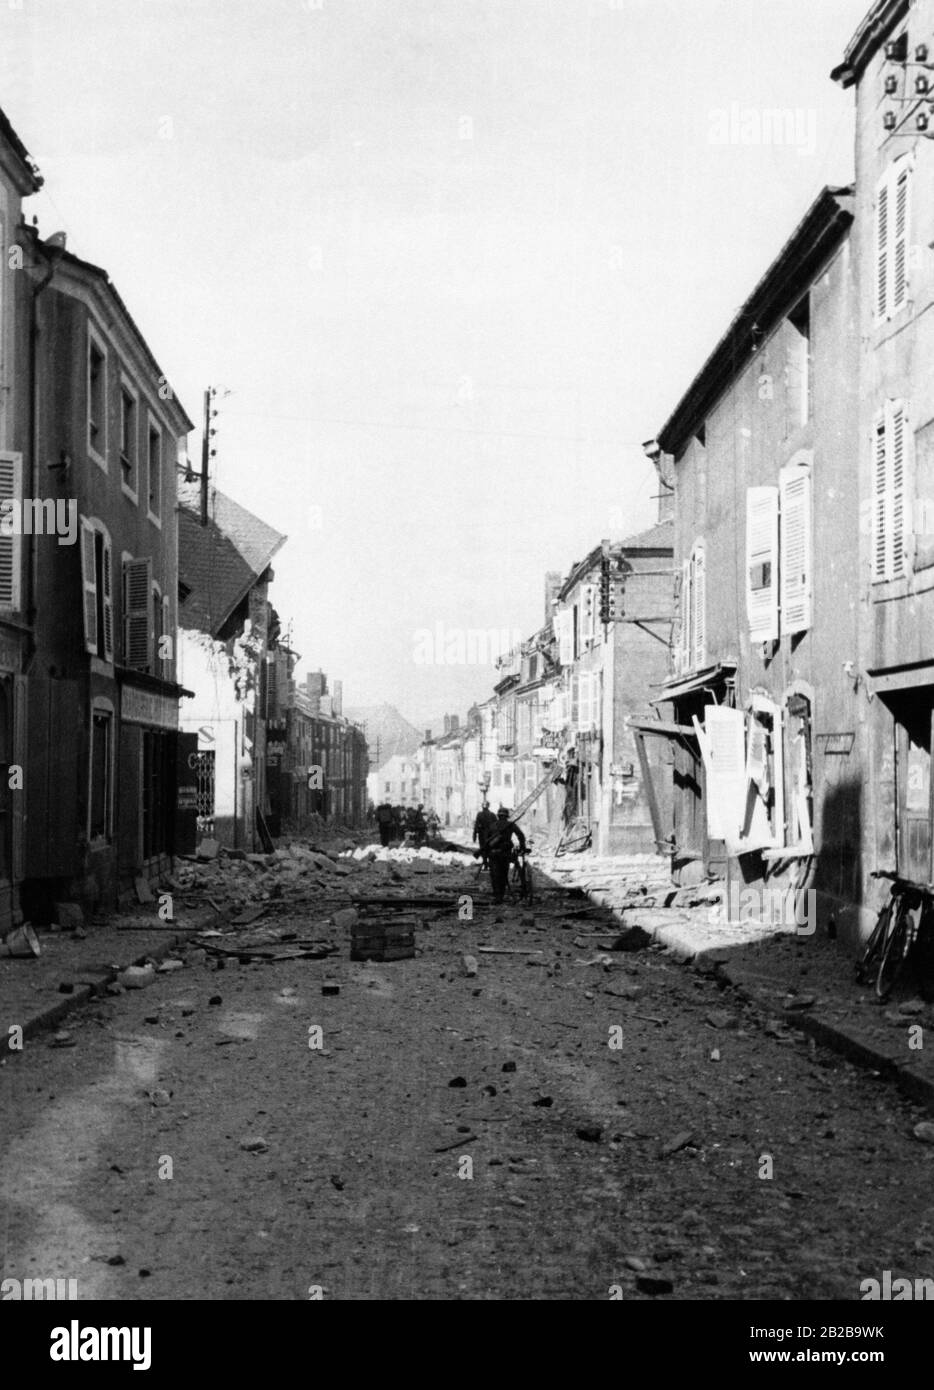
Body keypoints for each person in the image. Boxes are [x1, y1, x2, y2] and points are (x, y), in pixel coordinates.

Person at [485, 806, 526, 904]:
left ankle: (497, 897)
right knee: (503, 874)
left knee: (495, 876)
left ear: (498, 816)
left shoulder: (492, 825)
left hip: (493, 854)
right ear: (507, 816)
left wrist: (485, 856)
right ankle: (501, 896)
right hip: (505, 854)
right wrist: (522, 847)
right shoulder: (511, 825)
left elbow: (486, 841)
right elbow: (521, 835)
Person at [473, 801, 497, 869]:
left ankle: (485, 863)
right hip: (489, 836)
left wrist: (474, 835)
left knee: (483, 849)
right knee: (488, 849)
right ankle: (487, 864)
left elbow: (476, 825)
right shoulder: (492, 815)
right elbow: (477, 825)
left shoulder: (481, 814)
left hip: (484, 835)